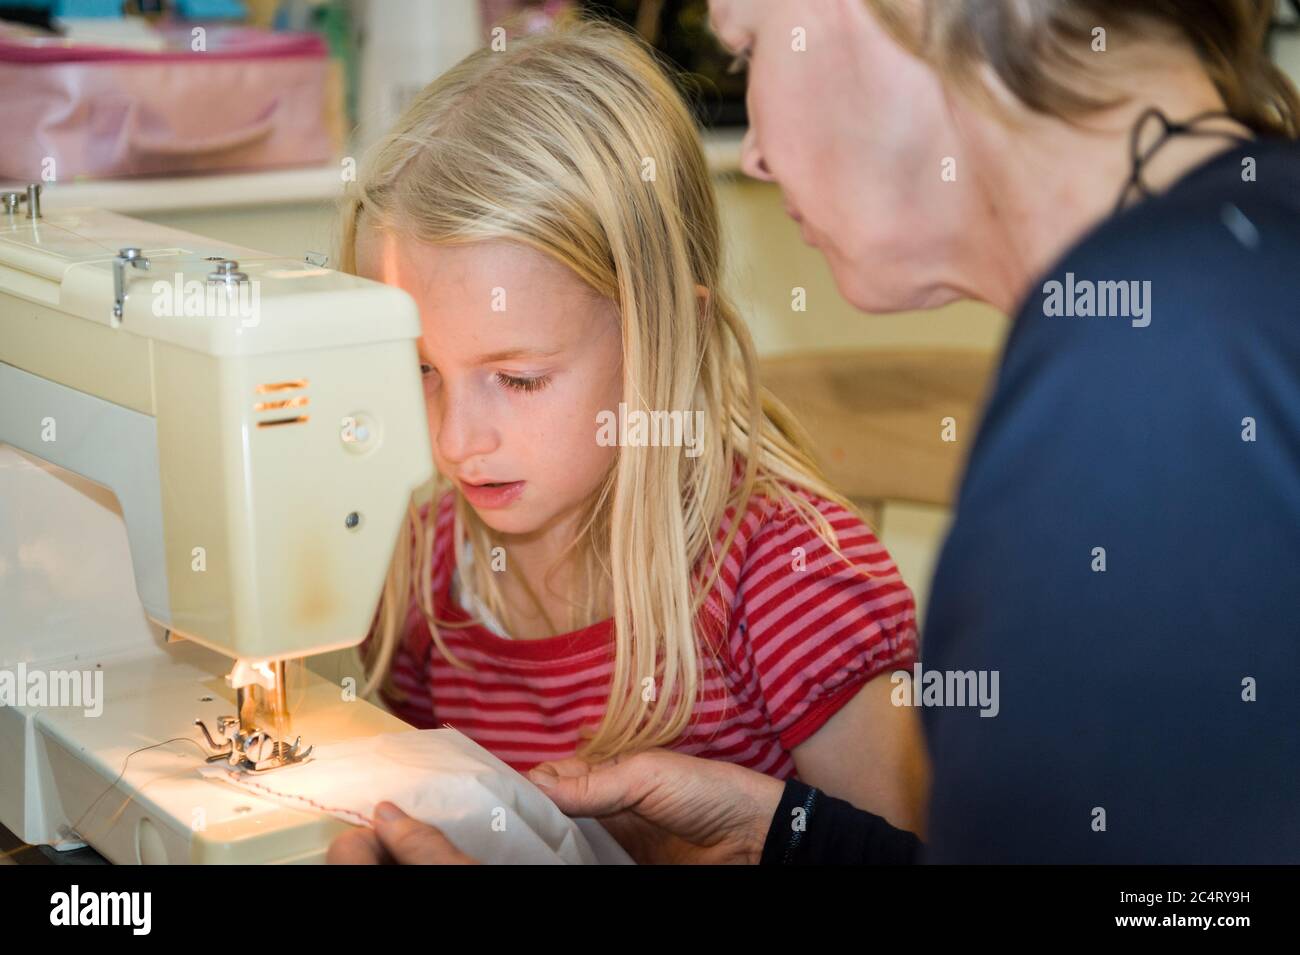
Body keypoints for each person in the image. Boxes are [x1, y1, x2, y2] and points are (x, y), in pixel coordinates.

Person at [332, 0, 1300, 865]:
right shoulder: (1191, 310)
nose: (751, 151)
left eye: (749, 49)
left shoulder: (1166, 369)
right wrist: (788, 834)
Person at [337, 18, 928, 842]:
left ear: (661, 340)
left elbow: (904, 858)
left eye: (517, 378)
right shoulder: (434, 568)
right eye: (423, 372)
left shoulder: (791, 582)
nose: (456, 441)